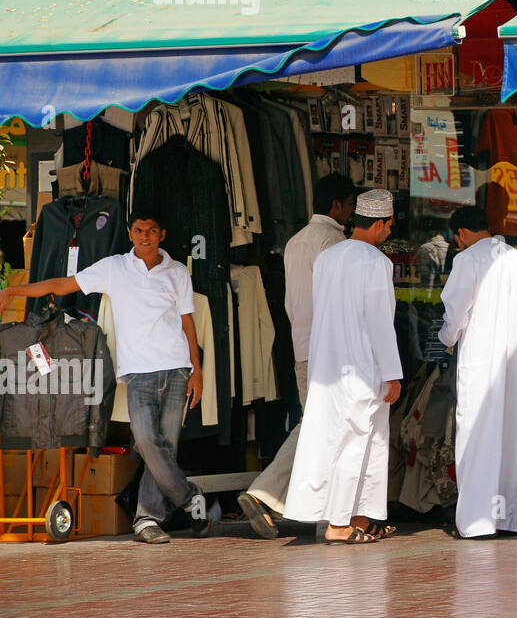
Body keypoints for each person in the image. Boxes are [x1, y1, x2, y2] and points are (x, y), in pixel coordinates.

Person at [0, 209, 208, 544]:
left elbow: (187, 324)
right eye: (139, 230)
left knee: (166, 447)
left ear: (162, 234)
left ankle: (146, 519)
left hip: (176, 368)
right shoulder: (115, 268)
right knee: (145, 441)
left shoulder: (178, 272)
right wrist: (14, 292)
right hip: (138, 374)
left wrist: (197, 372)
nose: (145, 237)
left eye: (152, 230)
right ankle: (189, 497)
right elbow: (62, 284)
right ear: (130, 234)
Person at [237, 173, 358, 539]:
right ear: (336, 206)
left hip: (302, 345)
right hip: (331, 349)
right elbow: (340, 301)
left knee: (318, 426)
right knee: (324, 427)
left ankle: (288, 500)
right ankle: (268, 492)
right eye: (351, 205)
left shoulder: (295, 242)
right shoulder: (335, 242)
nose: (352, 212)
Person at [284, 188, 403, 544]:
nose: (389, 233)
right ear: (380, 224)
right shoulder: (375, 262)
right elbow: (380, 321)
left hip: (328, 365)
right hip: (361, 367)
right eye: (389, 226)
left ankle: (360, 518)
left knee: (351, 440)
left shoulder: (329, 258)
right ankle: (339, 524)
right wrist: (392, 372)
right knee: (357, 441)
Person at [437, 204, 517, 538]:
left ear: (462, 234)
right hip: (516, 363)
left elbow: (455, 312)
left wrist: (446, 339)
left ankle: (478, 520)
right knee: (513, 434)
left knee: (478, 433)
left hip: (481, 360)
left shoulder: (466, 260)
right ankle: (511, 517)